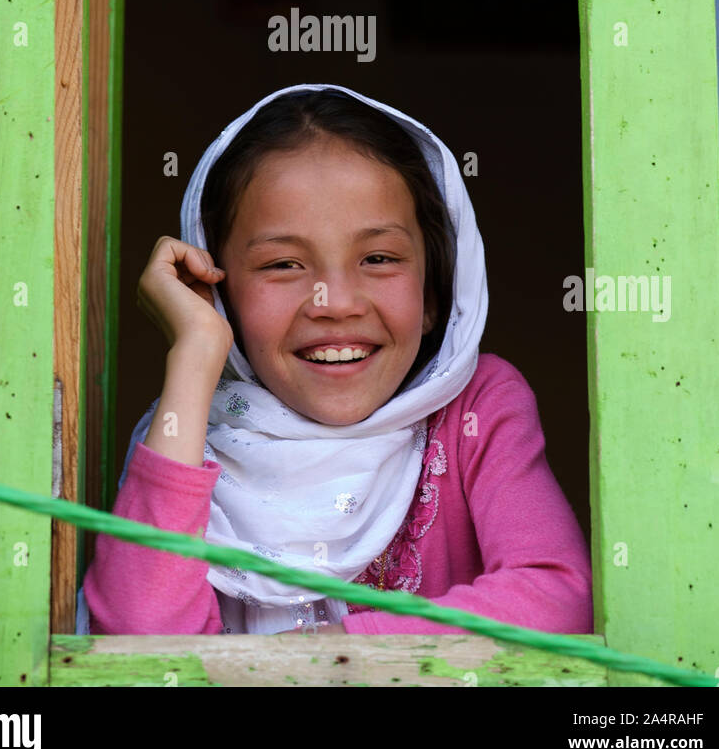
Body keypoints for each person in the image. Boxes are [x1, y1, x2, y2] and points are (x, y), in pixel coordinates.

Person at [79, 83, 592, 637]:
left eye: (378, 257)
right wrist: (197, 351)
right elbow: (138, 642)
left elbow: (556, 598)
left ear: (435, 296)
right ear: (220, 292)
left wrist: (329, 653)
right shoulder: (182, 435)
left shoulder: (475, 410)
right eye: (283, 265)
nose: (336, 302)